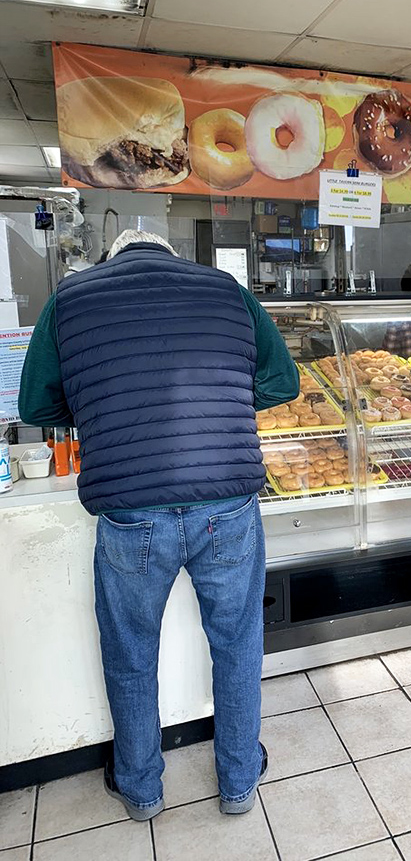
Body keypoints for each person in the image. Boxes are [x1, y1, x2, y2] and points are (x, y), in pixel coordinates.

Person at [18, 229, 299, 821]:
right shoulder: (226, 289)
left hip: (129, 509)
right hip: (227, 502)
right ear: (171, 256)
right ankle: (239, 782)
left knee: (129, 654)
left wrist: (102, 406)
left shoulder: (69, 298)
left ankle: (141, 790)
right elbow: (283, 383)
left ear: (113, 256)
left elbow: (36, 407)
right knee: (238, 644)